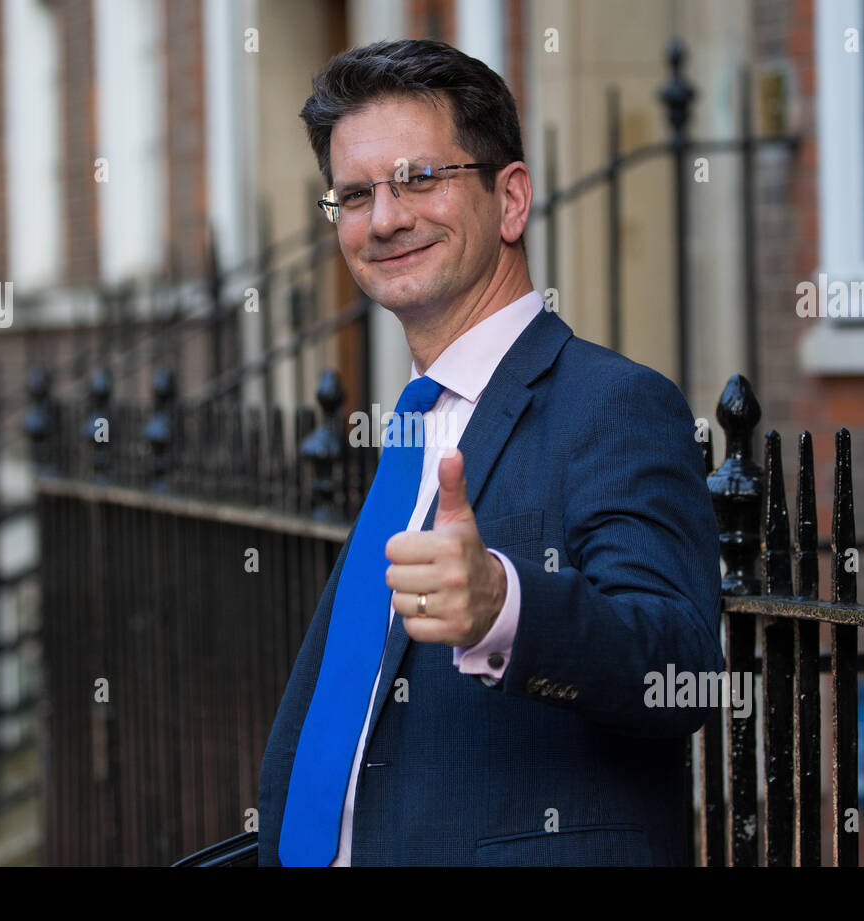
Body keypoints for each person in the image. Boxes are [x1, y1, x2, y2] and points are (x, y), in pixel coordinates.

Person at [258, 38, 723, 867]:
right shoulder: (410, 425)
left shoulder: (613, 405)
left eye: (419, 179)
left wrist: (505, 606)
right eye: (355, 195)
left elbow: (680, 663)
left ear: (511, 201)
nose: (385, 218)